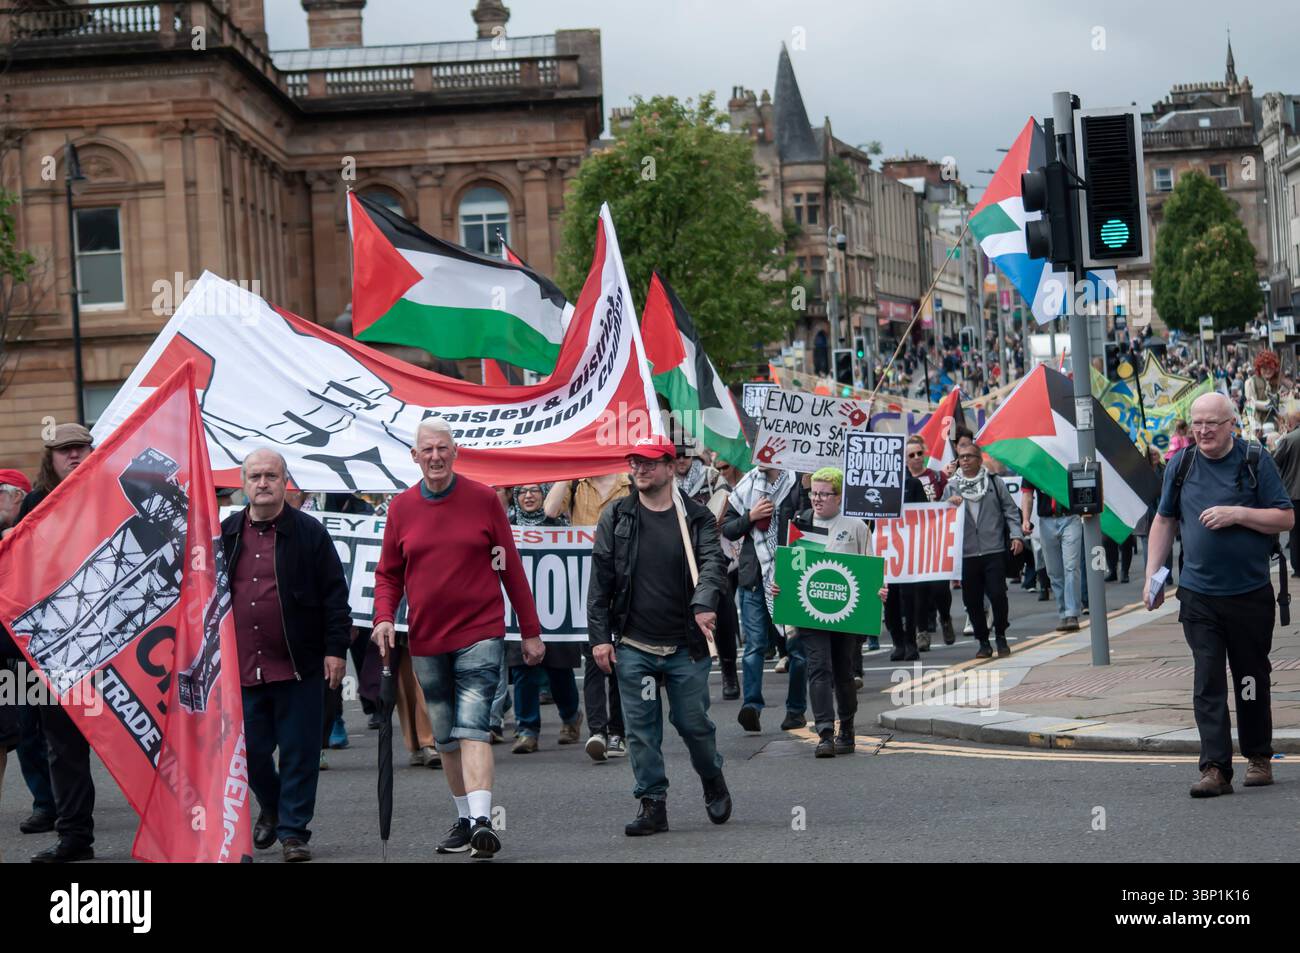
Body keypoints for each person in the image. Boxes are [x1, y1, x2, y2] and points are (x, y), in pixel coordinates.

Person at [372, 419, 545, 860]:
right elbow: (388, 574)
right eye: (426, 450)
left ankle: (484, 820)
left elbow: (511, 568)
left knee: (473, 726)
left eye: (442, 449)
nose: (435, 456)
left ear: (456, 452)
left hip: (480, 631)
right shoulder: (401, 508)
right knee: (445, 736)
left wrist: (530, 631)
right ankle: (466, 820)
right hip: (427, 638)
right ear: (414, 456)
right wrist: (384, 617)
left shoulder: (485, 499)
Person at [1144, 392, 1293, 797]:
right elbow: (1164, 519)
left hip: (1249, 593)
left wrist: (1238, 513)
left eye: (1212, 422)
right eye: (1198, 423)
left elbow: (1285, 516)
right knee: (1207, 679)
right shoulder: (1182, 462)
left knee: (1249, 677)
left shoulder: (1254, 460)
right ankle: (1215, 768)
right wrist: (1152, 575)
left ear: (1232, 425)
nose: (1204, 430)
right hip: (1199, 595)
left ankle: (1258, 757)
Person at [587, 434, 731, 835]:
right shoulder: (616, 517)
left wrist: (704, 604)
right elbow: (599, 582)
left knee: (692, 724)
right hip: (635, 645)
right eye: (635, 462)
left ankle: (711, 776)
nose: (640, 469)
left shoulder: (696, 517)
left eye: (650, 462)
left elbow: (712, 563)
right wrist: (599, 636)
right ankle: (652, 803)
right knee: (641, 730)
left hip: (685, 645)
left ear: (671, 467)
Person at [222, 449, 351, 862]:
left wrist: (335, 650)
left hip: (298, 664)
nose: (263, 483)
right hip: (241, 667)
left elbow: (336, 596)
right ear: (244, 483)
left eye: (271, 476)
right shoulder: (225, 534)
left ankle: (294, 832)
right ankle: (274, 808)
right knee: (252, 753)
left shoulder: (309, 532)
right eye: (256, 476)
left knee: (300, 752)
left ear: (284, 481)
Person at [21, 424, 96, 863]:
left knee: (142, 743)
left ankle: (167, 828)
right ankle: (74, 838)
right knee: (64, 750)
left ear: (91, 451)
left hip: (118, 646)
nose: (73, 456)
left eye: (79, 448)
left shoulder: (118, 495)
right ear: (50, 459)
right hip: (58, 649)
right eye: (64, 450)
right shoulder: (34, 506)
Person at [774, 467, 887, 757]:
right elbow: (793, 567)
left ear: (839, 496)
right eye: (814, 493)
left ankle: (846, 727)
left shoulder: (857, 526)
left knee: (843, 673)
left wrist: (879, 590)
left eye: (824, 494)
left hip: (846, 613)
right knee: (818, 668)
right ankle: (824, 732)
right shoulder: (802, 523)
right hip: (812, 612)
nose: (817, 499)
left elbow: (871, 567)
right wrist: (780, 586)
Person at [546, 472, 630, 761]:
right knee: (594, 659)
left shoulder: (628, 481)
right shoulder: (574, 482)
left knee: (620, 660)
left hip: (625, 583)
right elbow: (550, 510)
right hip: (586, 585)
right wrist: (568, 469)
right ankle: (598, 731)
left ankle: (619, 732)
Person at [723, 463, 806, 733]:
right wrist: (751, 516)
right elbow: (729, 528)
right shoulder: (746, 485)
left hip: (790, 573)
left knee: (796, 647)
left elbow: (810, 520)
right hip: (754, 576)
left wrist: (804, 495)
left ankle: (795, 710)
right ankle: (751, 706)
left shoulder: (797, 480)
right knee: (754, 645)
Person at [505, 484, 584, 754]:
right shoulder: (507, 525)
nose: (528, 496)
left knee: (558, 670)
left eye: (535, 491)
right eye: (523, 491)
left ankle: (571, 717)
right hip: (518, 613)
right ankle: (527, 730)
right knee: (522, 669)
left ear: (545, 494)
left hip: (556, 610)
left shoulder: (560, 525)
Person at [946, 443, 1024, 659]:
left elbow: (1010, 510)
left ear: (979, 460)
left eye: (970, 456)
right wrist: (948, 503)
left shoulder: (993, 482)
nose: (966, 460)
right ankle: (983, 641)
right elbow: (942, 518)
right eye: (962, 457)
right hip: (967, 553)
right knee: (972, 601)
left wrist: (1016, 535)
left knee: (998, 595)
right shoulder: (952, 486)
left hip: (994, 549)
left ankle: (1000, 634)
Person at [904, 435, 955, 647]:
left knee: (940, 588)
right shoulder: (902, 482)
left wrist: (950, 501)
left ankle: (945, 618)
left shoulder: (936, 477)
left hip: (936, 538)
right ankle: (922, 632)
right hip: (911, 541)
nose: (917, 458)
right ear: (905, 459)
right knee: (918, 590)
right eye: (911, 455)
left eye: (919, 453)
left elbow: (948, 496)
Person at [1020, 479, 1082, 632]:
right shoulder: (1034, 462)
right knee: (1054, 571)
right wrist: (1026, 519)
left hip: (1071, 517)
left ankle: (1072, 613)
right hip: (1046, 520)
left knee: (1071, 566)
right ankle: (1063, 613)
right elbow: (1027, 493)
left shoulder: (1068, 457)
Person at [1269, 410, 1300, 575]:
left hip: (1295, 492)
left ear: (1290, 422)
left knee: (1295, 532)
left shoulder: (1289, 439)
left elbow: (1274, 462)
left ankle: (1298, 567)